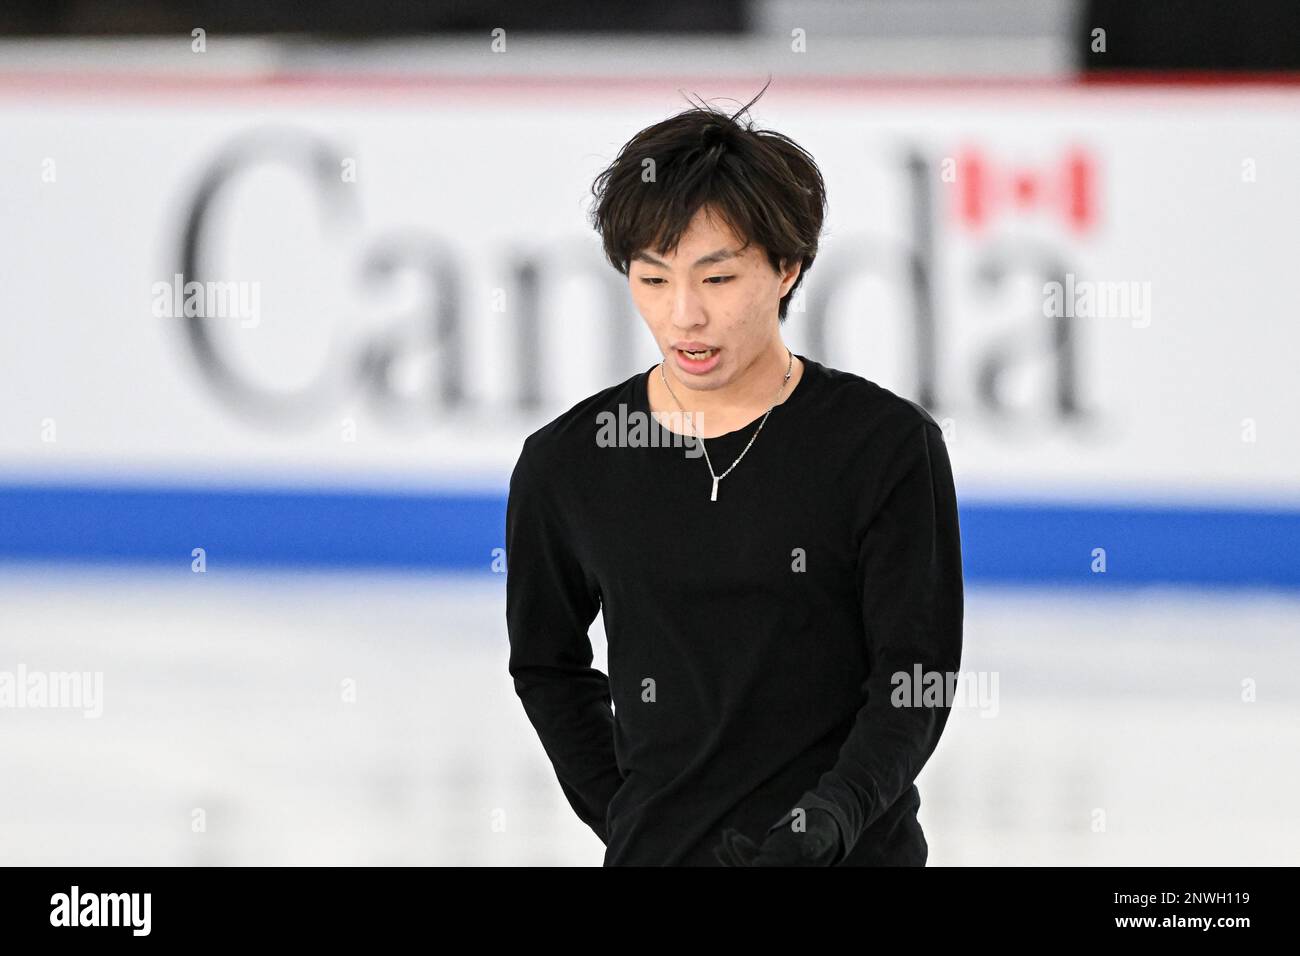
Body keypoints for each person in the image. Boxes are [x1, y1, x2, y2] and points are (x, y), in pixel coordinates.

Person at [505, 86, 964, 866]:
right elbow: (547, 665)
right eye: (653, 280)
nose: (684, 314)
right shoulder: (569, 462)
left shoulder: (884, 446)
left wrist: (830, 821)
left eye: (716, 280)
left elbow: (914, 676)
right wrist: (629, 817)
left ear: (786, 269)